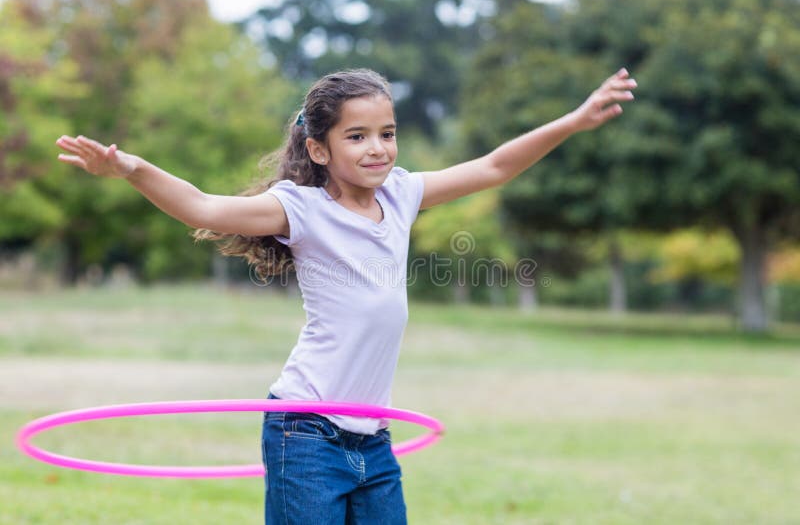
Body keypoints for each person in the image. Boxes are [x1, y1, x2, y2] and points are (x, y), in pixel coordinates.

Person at [55, 67, 636, 524]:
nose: (377, 148)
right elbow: (205, 207)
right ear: (319, 150)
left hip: (374, 436)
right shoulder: (301, 209)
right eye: (356, 136)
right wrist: (131, 168)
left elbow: (494, 166)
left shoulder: (404, 194)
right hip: (305, 433)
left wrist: (574, 120)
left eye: (387, 134)